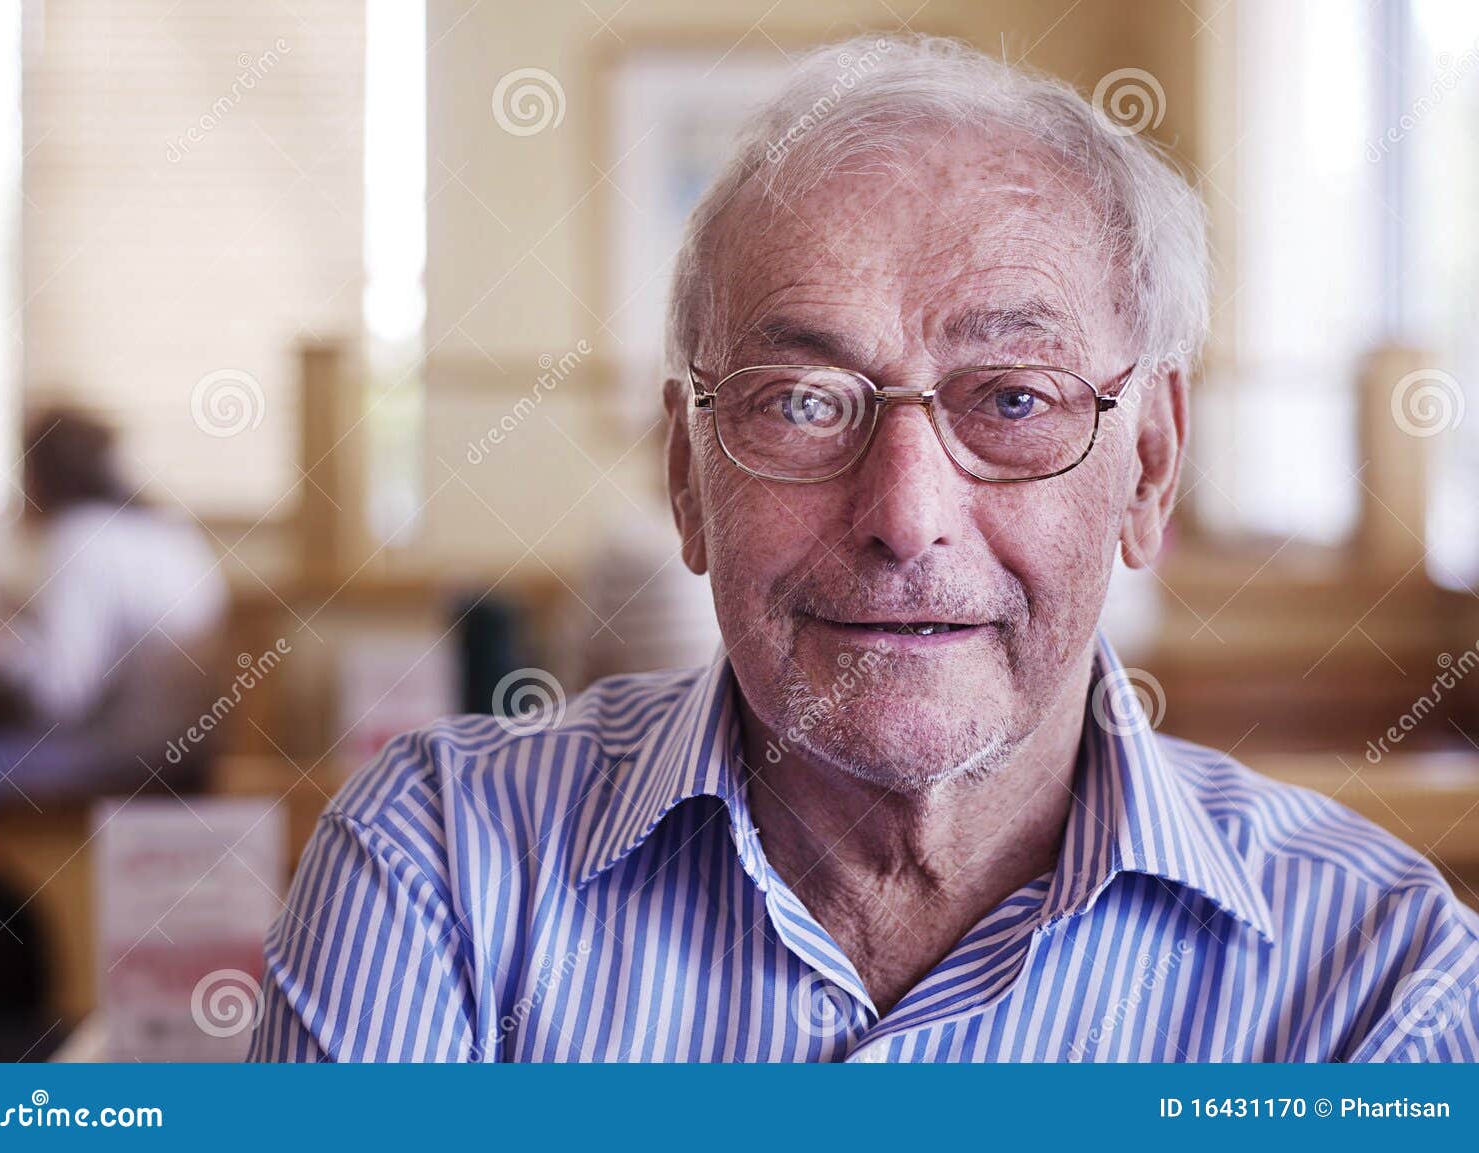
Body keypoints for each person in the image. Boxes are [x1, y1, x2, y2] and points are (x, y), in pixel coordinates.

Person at [251, 37, 1479, 1062]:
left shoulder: (1374, 978)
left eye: (1009, 400)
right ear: (687, 473)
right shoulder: (442, 865)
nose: (905, 514)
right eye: (802, 399)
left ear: (1148, 467)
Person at [0, 405, 228, 816]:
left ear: (40, 473)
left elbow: (60, 699)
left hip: (129, 757)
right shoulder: (168, 530)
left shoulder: (79, 537)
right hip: (188, 749)